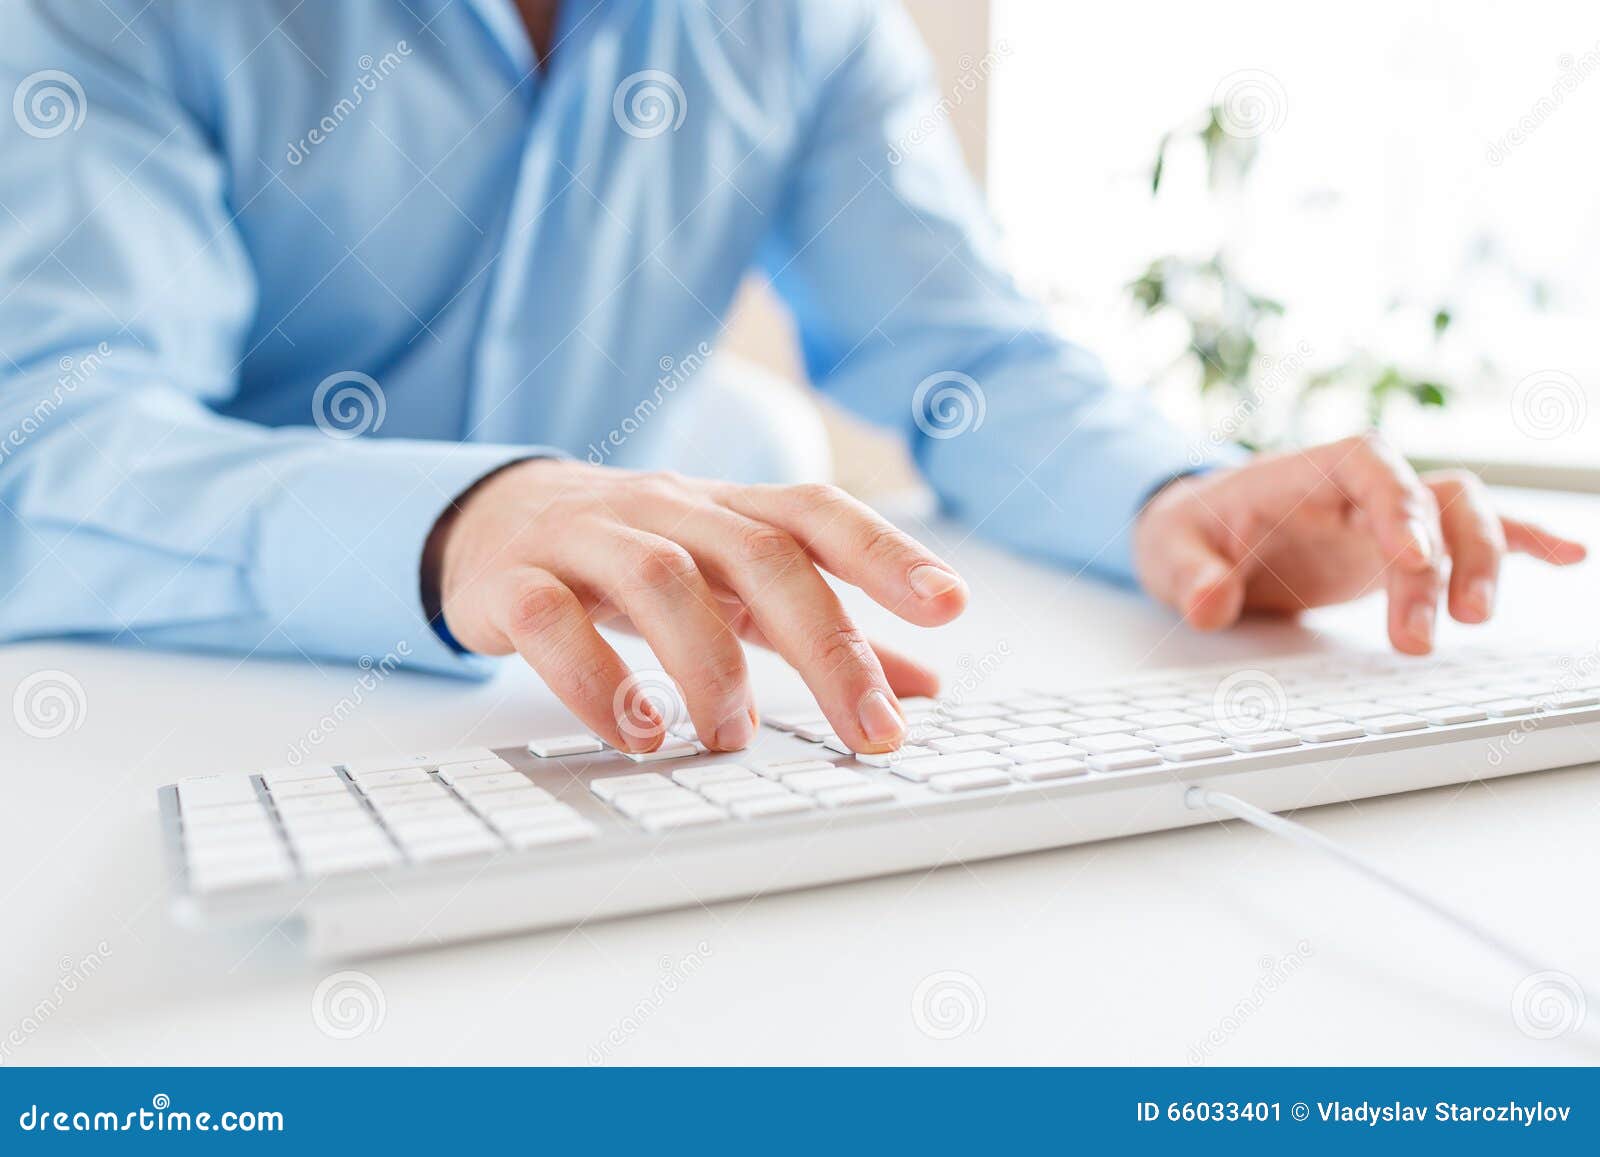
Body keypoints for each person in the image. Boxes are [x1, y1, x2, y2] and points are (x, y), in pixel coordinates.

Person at [0, 0, 1583, 757]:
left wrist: (1179, 497)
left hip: (555, 750)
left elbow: (966, 360)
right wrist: (460, 519)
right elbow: (49, 443)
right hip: (160, 732)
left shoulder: (800, 29)